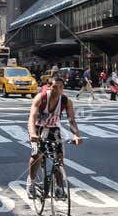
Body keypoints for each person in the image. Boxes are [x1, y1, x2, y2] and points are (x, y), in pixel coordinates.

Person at [25, 71, 82, 199]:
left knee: (59, 157)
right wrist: (33, 133)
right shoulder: (41, 97)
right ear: (50, 86)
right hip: (38, 128)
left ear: (63, 88)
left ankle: (58, 187)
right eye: (55, 87)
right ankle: (31, 182)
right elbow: (32, 118)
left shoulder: (66, 101)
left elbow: (71, 120)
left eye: (61, 87)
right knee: (37, 154)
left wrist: (76, 135)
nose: (58, 90)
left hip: (54, 129)